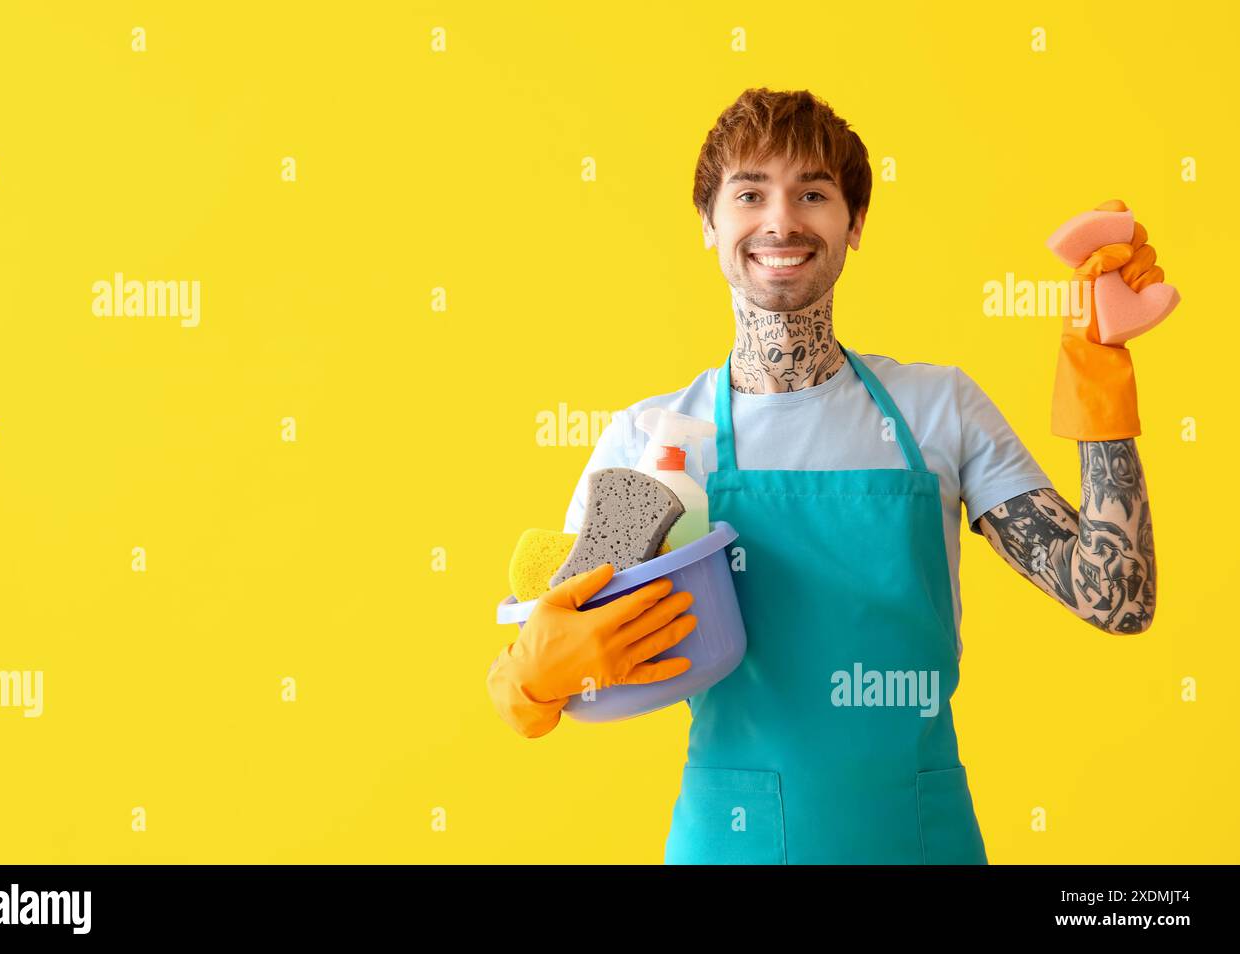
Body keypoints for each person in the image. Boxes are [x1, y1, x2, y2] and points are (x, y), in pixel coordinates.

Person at [486, 87, 1165, 864]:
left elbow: (1117, 598)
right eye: (750, 194)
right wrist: (528, 685)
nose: (781, 221)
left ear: (855, 224)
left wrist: (1099, 374)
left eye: (813, 192)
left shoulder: (939, 408)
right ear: (709, 225)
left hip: (920, 839)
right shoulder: (649, 444)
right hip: (729, 844)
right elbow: (559, 653)